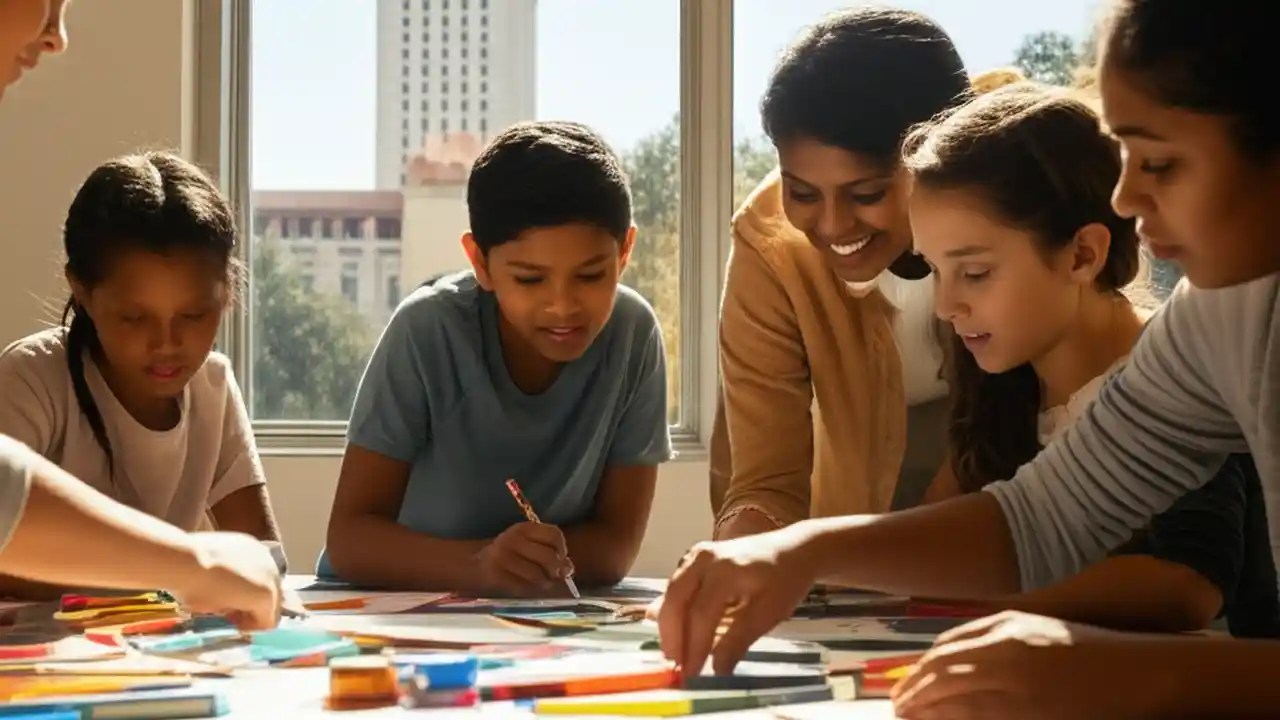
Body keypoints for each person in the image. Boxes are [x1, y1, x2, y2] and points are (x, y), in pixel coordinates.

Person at [656, 1, 1280, 715]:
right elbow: (1036, 520)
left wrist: (1124, 670)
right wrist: (800, 551)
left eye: (1160, 162)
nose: (1126, 195)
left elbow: (1183, 587)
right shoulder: (1215, 319)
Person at [911, 81, 1274, 636]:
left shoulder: (1183, 377)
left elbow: (1186, 587)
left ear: (1083, 254)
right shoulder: (1001, 379)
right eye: (935, 270)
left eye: (976, 273)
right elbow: (940, 535)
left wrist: (981, 597)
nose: (944, 306)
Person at [0, 0, 280, 628]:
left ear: (227, 295)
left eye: (193, 315)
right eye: (133, 319)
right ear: (83, 292)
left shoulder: (211, 386)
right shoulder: (33, 380)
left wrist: (252, 576)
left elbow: (263, 551)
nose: (166, 343)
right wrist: (183, 568)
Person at [322, 121, 672, 595]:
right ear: (480, 262)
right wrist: (480, 565)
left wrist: (522, 568)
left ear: (625, 250)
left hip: (536, 613)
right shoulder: (428, 330)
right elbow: (350, 540)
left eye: (591, 276)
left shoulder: (633, 334)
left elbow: (615, 547)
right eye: (530, 280)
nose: (563, 306)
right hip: (398, 607)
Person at [710, 7, 970, 541]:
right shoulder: (768, 245)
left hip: (1011, 492)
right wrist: (743, 552)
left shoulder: (1015, 201)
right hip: (858, 477)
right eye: (802, 193)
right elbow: (766, 479)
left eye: (867, 194)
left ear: (940, 161)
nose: (831, 225)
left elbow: (1014, 439)